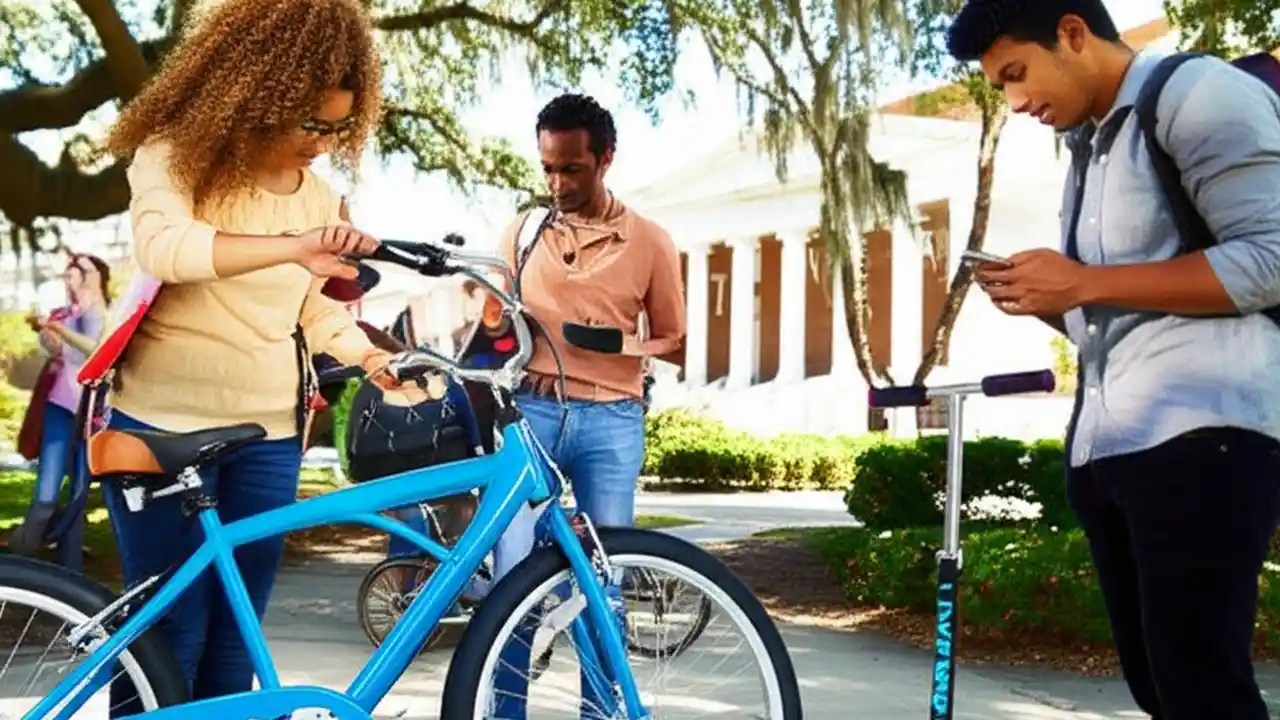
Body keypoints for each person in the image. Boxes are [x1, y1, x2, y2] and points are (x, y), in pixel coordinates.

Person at [946, 2, 1280, 718]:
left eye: (1016, 74)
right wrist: (1049, 300)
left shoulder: (1198, 95)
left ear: (1071, 33)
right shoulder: (1085, 148)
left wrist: (1085, 281)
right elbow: (1132, 311)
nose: (1016, 101)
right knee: (1161, 691)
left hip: (1204, 439)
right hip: (1113, 454)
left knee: (1204, 692)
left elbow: (1269, 261)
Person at [100, 0, 404, 707]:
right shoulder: (175, 154)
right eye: (311, 122)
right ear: (261, 93)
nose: (324, 142)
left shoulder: (319, 194)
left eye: (339, 126)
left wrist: (370, 359)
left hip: (266, 436)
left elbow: (312, 302)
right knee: (169, 638)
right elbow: (164, 248)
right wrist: (297, 245)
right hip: (161, 428)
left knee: (237, 639)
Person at [486, 92, 686, 717]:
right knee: (511, 580)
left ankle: (599, 715)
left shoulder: (650, 241)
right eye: (547, 168)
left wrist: (622, 343)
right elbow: (495, 319)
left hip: (612, 419)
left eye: (571, 168)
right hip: (533, 413)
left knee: (604, 584)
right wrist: (498, 314)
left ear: (605, 160)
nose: (557, 182)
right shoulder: (523, 230)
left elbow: (675, 341)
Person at [10, 253, 111, 570]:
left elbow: (95, 349)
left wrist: (59, 330)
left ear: (93, 276)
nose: (69, 277)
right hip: (60, 408)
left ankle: (71, 575)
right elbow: (56, 349)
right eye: (67, 273)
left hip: (93, 414)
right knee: (46, 496)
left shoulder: (106, 316)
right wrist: (48, 332)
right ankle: (17, 566)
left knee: (79, 498)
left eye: (77, 270)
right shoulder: (64, 314)